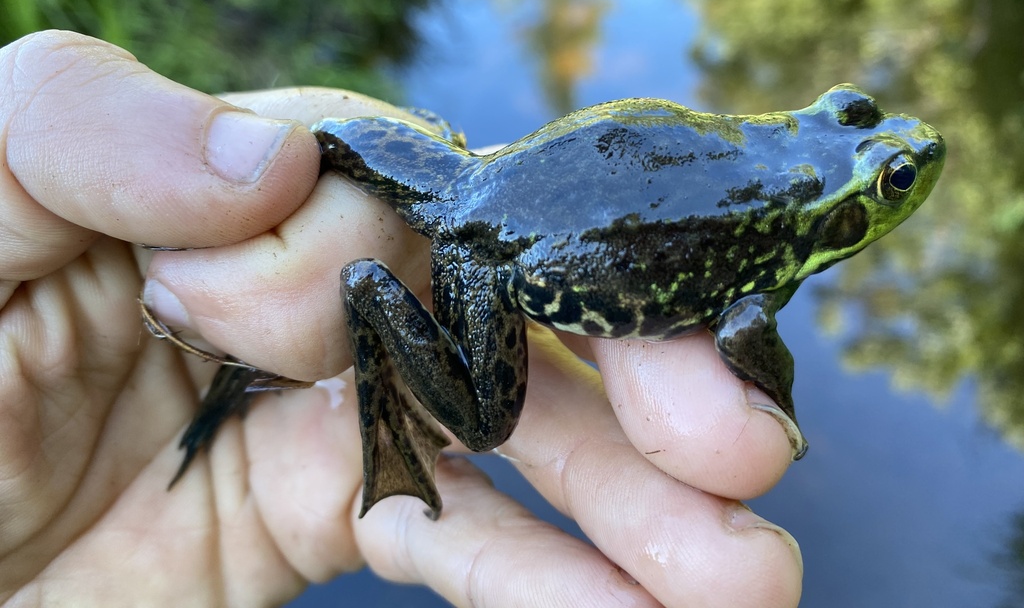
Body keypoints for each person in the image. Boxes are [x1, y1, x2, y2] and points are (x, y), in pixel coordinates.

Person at [0, 30, 802, 607]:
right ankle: (369, 301)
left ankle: (350, 289)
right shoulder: (767, 263)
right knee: (485, 424)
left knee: (353, 141)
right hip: (485, 245)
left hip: (471, 179)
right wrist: (781, 392)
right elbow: (737, 334)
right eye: (894, 182)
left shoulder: (758, 157)